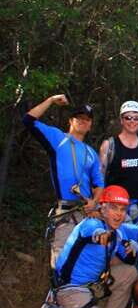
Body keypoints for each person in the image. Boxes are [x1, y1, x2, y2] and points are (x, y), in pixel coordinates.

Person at [32, 185, 138, 308]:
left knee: (129, 272)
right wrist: (100, 235)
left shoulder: (117, 233)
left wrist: (133, 249)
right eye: (114, 208)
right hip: (70, 287)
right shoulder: (92, 223)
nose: (118, 214)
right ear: (103, 208)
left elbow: (129, 259)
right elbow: (93, 234)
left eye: (123, 210)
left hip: (91, 286)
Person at [22, 94, 104, 266]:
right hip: (65, 214)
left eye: (87, 119)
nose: (83, 121)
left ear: (90, 125)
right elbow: (28, 119)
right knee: (61, 264)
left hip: (86, 214)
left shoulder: (91, 153)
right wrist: (51, 100)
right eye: (79, 117)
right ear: (71, 120)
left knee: (85, 262)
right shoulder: (58, 139)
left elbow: (98, 184)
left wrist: (94, 202)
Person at [100, 100, 138, 224]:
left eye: (136, 118)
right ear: (121, 120)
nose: (132, 121)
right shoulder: (109, 145)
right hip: (117, 206)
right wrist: (99, 203)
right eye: (128, 118)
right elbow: (99, 177)